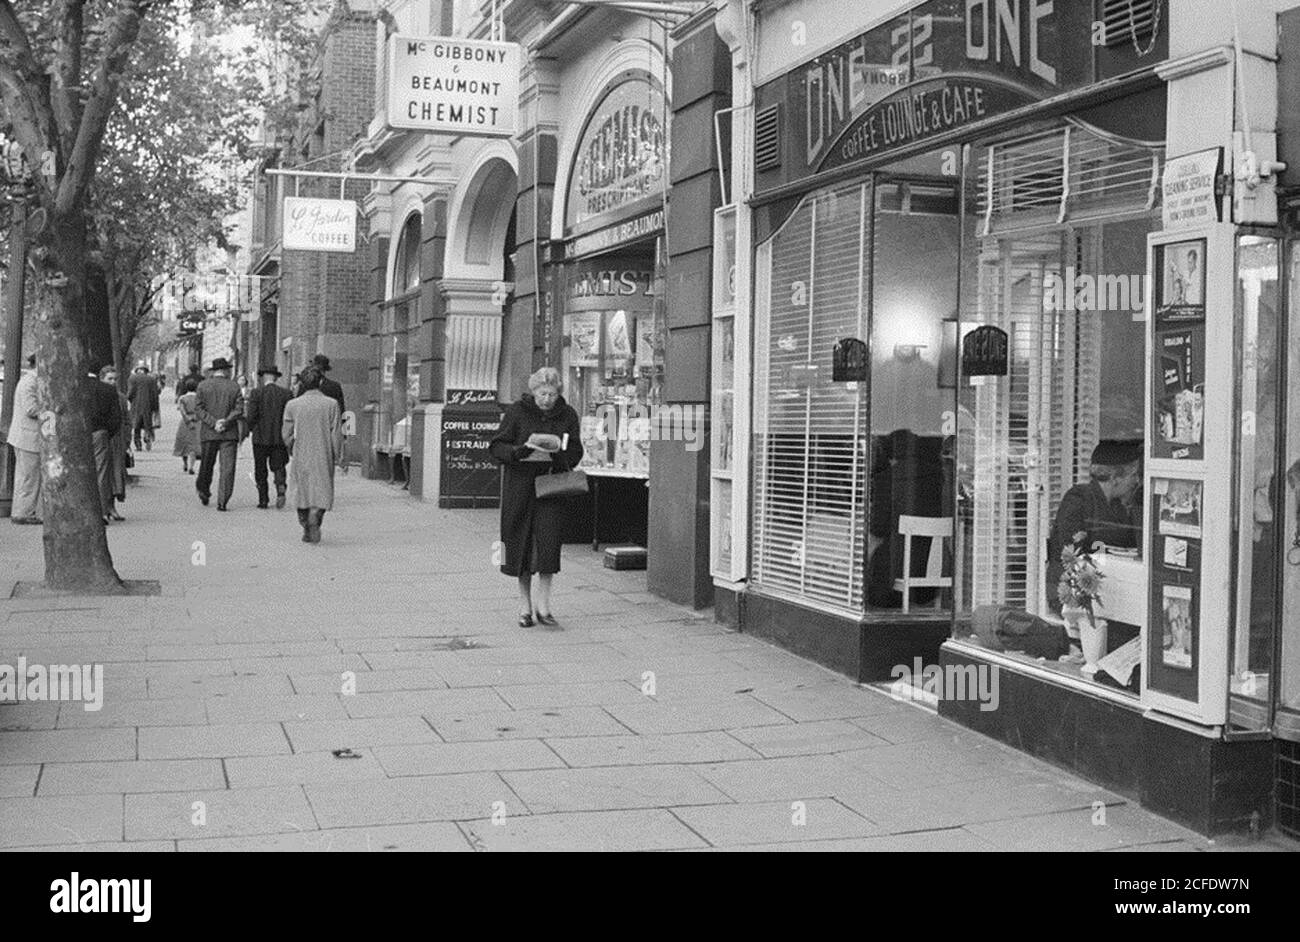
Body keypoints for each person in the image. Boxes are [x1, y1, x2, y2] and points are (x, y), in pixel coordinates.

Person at [489, 367, 584, 627]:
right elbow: (496, 446)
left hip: (551, 487)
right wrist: (519, 451)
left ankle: (544, 606)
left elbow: (575, 450)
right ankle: (524, 607)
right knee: (519, 545)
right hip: (520, 487)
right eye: (543, 394)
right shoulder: (517, 412)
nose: (547, 400)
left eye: (552, 394)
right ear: (534, 392)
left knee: (549, 545)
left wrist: (557, 454)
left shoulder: (567, 414)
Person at [1046, 439, 1143, 614]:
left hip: (1109, 589)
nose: (1136, 481)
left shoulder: (1118, 506)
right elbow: (1070, 553)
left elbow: (1132, 543)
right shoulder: (1078, 499)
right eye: (1133, 475)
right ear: (1115, 478)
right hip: (1076, 595)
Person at [282, 365, 342, 543]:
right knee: (322, 489)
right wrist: (338, 454)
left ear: (302, 383)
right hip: (323, 453)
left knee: (301, 490)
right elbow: (336, 433)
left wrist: (292, 446)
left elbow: (286, 434)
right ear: (321, 381)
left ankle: (305, 522)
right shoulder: (332, 404)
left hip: (302, 452)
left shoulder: (292, 405)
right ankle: (316, 514)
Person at [194, 357, 244, 511]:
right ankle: (223, 501)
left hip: (209, 432)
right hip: (229, 433)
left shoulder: (203, 386)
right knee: (227, 468)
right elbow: (239, 409)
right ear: (227, 371)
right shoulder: (234, 387)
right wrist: (226, 421)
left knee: (207, 464)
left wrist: (213, 422)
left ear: (213, 371)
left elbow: (199, 409)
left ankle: (203, 489)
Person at [246, 364, 291, 509]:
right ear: (276, 377)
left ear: (264, 377)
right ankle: (280, 486)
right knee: (279, 465)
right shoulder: (286, 394)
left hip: (260, 437)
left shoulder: (256, 393)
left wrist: (251, 428)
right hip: (279, 436)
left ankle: (263, 499)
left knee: (260, 468)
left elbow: (251, 416)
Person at [6, 354, 42, 525]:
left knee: (26, 476)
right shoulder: (31, 382)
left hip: (26, 436)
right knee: (29, 477)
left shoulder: (29, 381)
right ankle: (23, 512)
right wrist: (50, 410)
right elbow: (31, 409)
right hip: (29, 438)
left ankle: (23, 510)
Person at [88, 365, 124, 525]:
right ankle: (101, 511)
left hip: (78, 434)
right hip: (100, 433)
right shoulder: (109, 391)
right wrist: (106, 432)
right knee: (101, 473)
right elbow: (117, 419)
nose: (113, 382)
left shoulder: (77, 385)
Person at [127, 365, 160, 451]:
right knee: (147, 424)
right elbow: (155, 394)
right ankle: (148, 437)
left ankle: (138, 444)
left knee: (136, 426)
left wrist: (129, 400)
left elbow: (130, 392)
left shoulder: (132, 378)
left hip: (136, 405)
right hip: (148, 405)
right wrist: (155, 407)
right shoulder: (151, 379)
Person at [173, 377, 201, 474]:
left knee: (184, 444)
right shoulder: (199, 398)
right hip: (197, 422)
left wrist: (188, 419)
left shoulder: (182, 398)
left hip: (185, 423)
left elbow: (181, 410)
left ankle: (185, 463)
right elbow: (201, 410)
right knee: (193, 445)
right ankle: (191, 466)